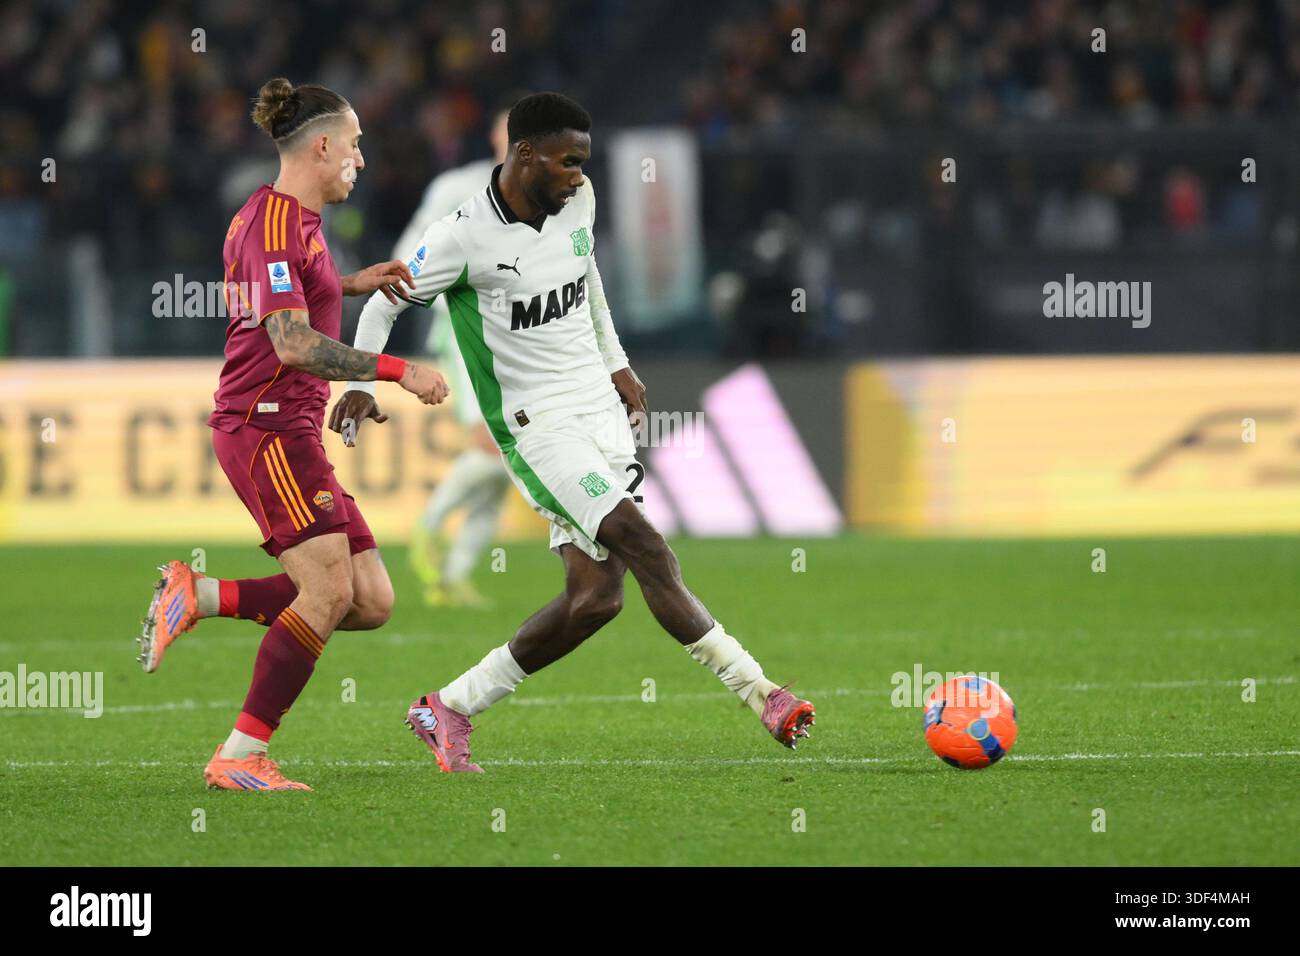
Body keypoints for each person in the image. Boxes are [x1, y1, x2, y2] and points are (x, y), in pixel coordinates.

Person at [329, 92, 815, 773]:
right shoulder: (463, 234)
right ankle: (760, 690)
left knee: (595, 599)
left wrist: (617, 363)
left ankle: (450, 706)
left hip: (600, 413)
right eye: (567, 163)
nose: (579, 176)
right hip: (537, 428)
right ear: (524, 155)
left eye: (583, 163)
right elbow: (385, 302)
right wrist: (360, 381)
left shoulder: (575, 203)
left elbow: (586, 282)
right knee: (644, 543)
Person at [138, 77, 448, 791]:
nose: (361, 161)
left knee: (368, 599)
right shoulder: (276, 226)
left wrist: (350, 284)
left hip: (290, 427)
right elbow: (293, 344)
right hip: (268, 428)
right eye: (356, 146)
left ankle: (201, 595)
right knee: (326, 592)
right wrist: (397, 370)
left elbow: (292, 294)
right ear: (321, 146)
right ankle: (240, 754)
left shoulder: (283, 221)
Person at [382, 99, 516, 608]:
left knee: (507, 456)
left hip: (516, 339)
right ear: (494, 137)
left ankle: (453, 576)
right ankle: (429, 527)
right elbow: (411, 246)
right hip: (464, 330)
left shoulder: (548, 199)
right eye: (512, 131)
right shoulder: (458, 187)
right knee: (495, 443)